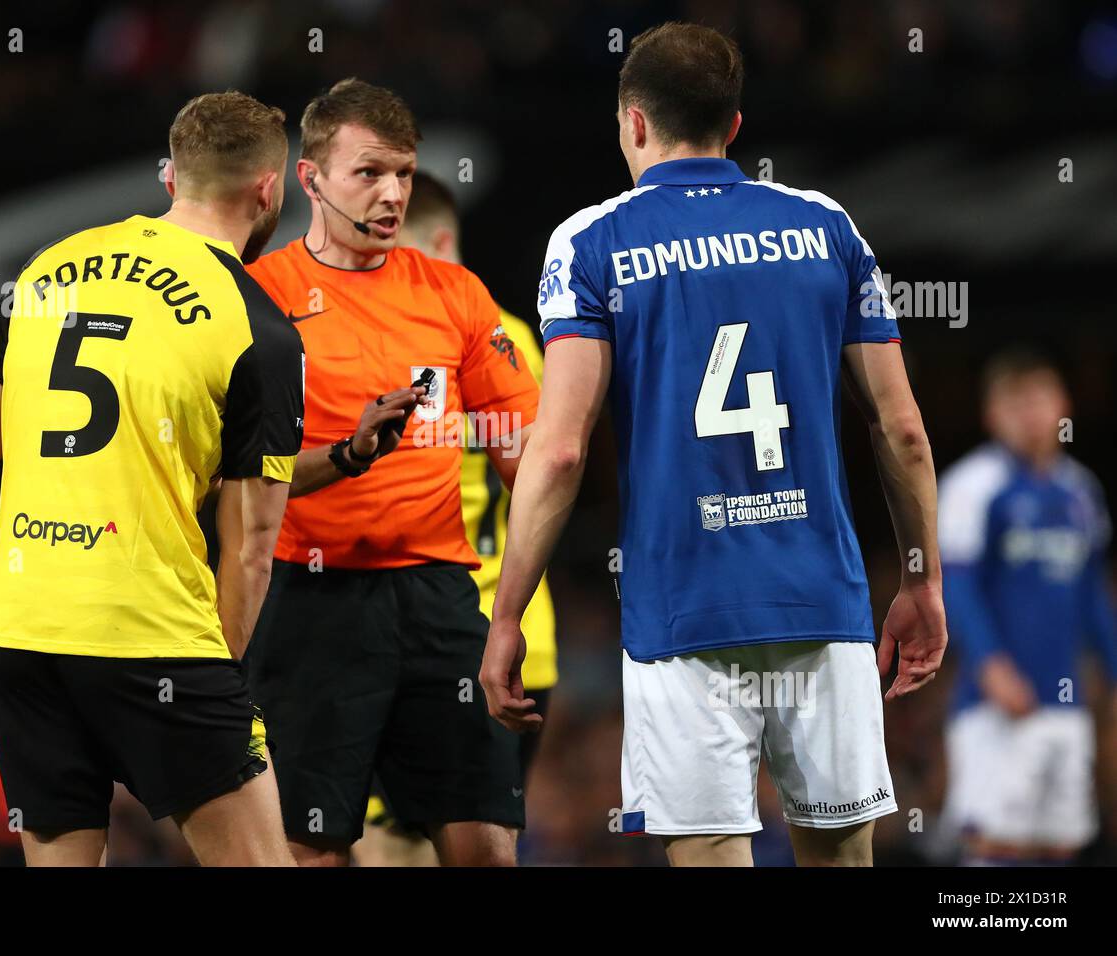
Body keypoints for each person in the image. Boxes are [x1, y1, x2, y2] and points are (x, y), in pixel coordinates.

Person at [481, 21, 947, 867]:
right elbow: (903, 428)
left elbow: (556, 451)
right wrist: (922, 578)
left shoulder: (591, 241)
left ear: (631, 122)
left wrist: (509, 611)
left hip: (680, 611)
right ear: (735, 126)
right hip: (821, 601)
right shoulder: (823, 225)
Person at [0, 91, 303, 867]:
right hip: (154, 634)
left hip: (22, 638)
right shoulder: (258, 324)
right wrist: (215, 684)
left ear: (172, 179)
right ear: (270, 189)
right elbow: (250, 548)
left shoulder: (45, 270)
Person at [244, 79, 540, 867]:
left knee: (485, 840)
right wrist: (347, 456)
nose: (392, 194)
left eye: (404, 174)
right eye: (369, 173)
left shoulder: (455, 294)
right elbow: (231, 474)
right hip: (309, 600)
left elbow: (533, 456)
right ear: (310, 180)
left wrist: (513, 607)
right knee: (311, 847)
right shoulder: (259, 298)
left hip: (440, 599)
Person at [352, 171, 559, 867]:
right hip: (528, 643)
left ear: (439, 241)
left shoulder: (410, 352)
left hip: (434, 642)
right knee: (490, 839)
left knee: (391, 840)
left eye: (397, 251)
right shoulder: (521, 344)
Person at [939, 349, 1117, 865]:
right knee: (997, 840)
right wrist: (991, 664)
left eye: (1040, 400)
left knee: (1059, 844)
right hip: (994, 701)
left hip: (1065, 700)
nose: (1031, 415)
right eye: (1015, 404)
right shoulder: (973, 485)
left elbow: (1090, 595)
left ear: (1064, 407)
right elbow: (958, 585)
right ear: (991, 415)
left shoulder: (1081, 492)